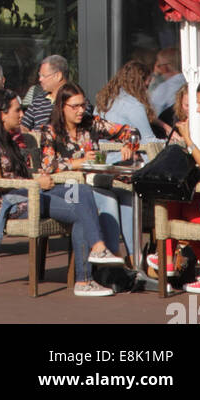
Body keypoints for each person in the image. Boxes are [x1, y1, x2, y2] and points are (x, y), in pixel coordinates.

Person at [0, 88, 123, 296]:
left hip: (29, 194)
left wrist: (36, 180)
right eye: (17, 110)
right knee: (80, 213)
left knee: (81, 191)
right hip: (14, 203)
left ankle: (97, 249)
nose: (22, 114)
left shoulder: (6, 138)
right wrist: (36, 182)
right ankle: (84, 280)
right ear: (2, 113)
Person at [40, 81, 138, 266]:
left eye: (83, 105)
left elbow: (130, 131)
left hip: (96, 181)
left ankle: (134, 260)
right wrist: (78, 162)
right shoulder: (50, 131)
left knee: (127, 198)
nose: (80, 110)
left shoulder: (91, 123)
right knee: (108, 199)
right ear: (62, 107)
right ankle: (113, 261)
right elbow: (47, 165)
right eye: (75, 106)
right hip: (69, 189)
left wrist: (129, 144)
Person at [151, 77, 200, 294]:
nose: (199, 109)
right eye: (196, 104)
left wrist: (189, 141)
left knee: (177, 207)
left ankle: (169, 257)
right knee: (179, 202)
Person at [96, 60, 172, 152]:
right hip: (127, 159)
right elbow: (149, 142)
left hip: (102, 157)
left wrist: (163, 126)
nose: (147, 90)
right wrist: (173, 143)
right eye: (147, 86)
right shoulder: (134, 105)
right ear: (141, 84)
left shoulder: (104, 101)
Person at [22, 54, 70, 130]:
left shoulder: (75, 100)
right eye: (39, 75)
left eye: (43, 76)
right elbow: (23, 126)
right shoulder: (37, 102)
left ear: (58, 76)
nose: (40, 79)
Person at [149, 48, 187, 118]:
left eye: (159, 66)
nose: (158, 69)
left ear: (165, 67)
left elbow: (153, 114)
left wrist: (155, 75)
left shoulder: (164, 88)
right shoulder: (190, 81)